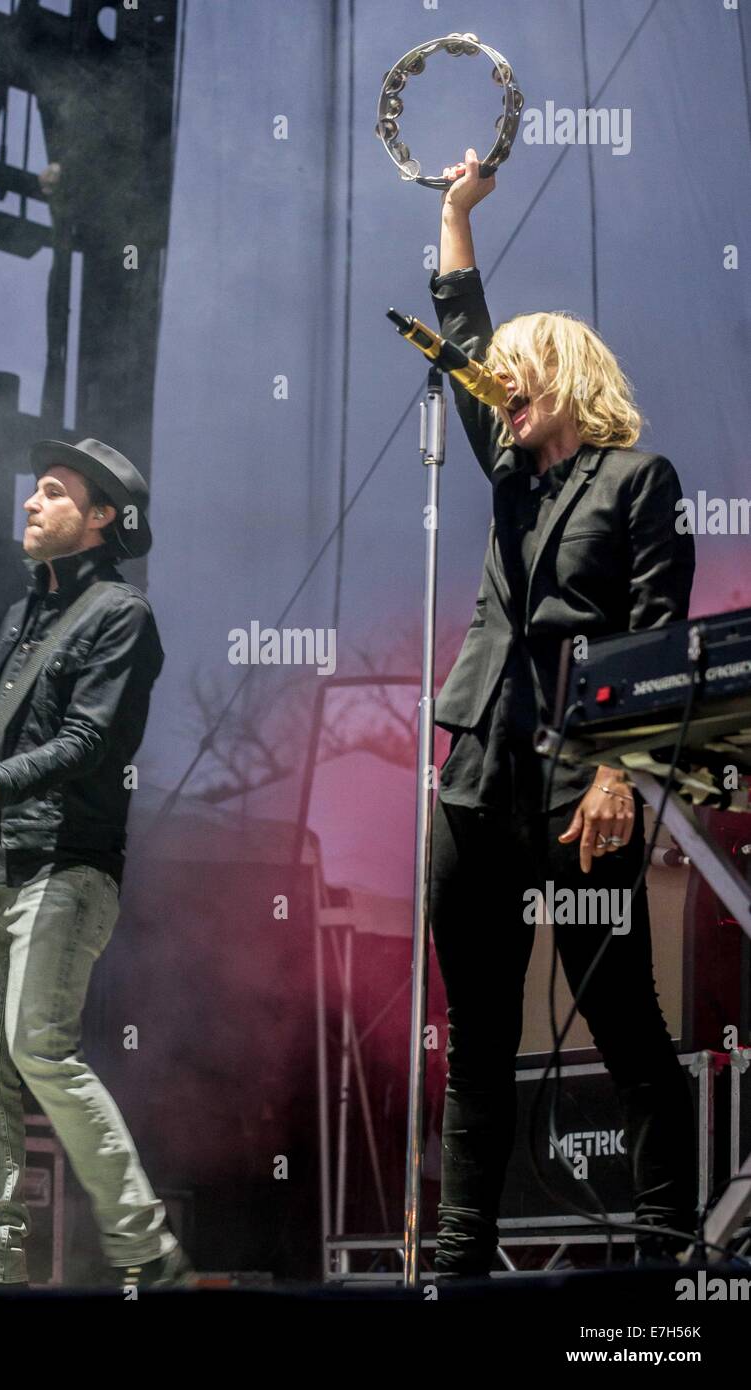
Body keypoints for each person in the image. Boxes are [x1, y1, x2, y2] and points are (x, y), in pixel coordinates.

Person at [427, 150, 698, 1274]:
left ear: (567, 380)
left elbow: (656, 641)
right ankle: (457, 1261)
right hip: (477, 774)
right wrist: (456, 213)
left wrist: (618, 773)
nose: (498, 386)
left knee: (620, 1014)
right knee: (477, 1037)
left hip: (577, 776)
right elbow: (459, 332)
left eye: (516, 374)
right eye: (492, 379)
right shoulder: (506, 482)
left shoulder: (638, 481)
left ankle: (664, 1246)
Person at [0, 437, 192, 1289]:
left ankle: (147, 1251)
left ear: (100, 517)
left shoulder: (120, 615)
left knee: (39, 1050)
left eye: (54, 492)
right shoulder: (22, 615)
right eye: (35, 489)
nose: (31, 501)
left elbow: (89, 742)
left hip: (65, 867)